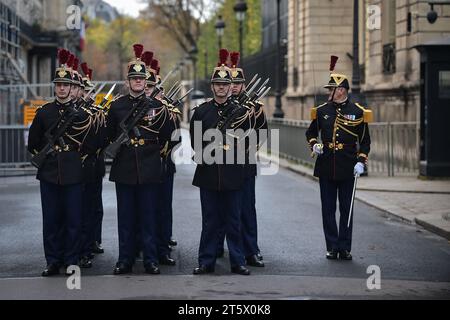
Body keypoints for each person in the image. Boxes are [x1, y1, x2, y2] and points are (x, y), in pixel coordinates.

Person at [28, 48, 95, 276]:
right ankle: (53, 260)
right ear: (55, 87)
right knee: (52, 219)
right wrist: (46, 154)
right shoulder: (44, 112)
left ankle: (71, 259)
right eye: (58, 85)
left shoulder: (82, 114)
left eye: (66, 85)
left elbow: (91, 142)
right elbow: (33, 142)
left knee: (74, 219)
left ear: (71, 87)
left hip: (74, 171)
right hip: (49, 172)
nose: (62, 88)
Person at [106, 44, 171, 275]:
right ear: (128, 82)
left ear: (146, 81)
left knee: (149, 217)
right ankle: (125, 260)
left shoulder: (157, 107)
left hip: (149, 166)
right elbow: (108, 134)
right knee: (125, 218)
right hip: (124, 166)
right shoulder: (116, 107)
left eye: (141, 79)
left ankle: (151, 260)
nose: (138, 82)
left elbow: (167, 134)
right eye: (133, 78)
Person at [189, 49, 251, 275]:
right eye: (218, 84)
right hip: (208, 173)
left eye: (225, 84)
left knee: (234, 220)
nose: (222, 87)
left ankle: (238, 261)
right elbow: (196, 142)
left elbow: (248, 143)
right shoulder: (202, 112)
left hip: (233, 172)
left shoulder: (241, 112)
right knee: (210, 221)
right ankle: (206, 261)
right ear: (212, 86)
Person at [305, 56, 372, 260]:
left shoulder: (357, 112)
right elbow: (310, 133)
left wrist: (361, 161)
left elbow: (365, 140)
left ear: (342, 89)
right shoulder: (322, 111)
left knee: (346, 208)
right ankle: (332, 246)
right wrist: (314, 145)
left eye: (331, 89)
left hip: (348, 166)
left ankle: (345, 247)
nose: (329, 92)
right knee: (328, 209)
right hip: (326, 165)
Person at [216, 51, 266, 268]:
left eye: (238, 83)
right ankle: (217, 245)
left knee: (246, 209)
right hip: (220, 163)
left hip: (243, 163)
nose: (235, 86)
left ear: (244, 85)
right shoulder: (219, 105)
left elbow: (262, 133)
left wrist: (245, 151)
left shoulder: (255, 107)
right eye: (232, 82)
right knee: (219, 208)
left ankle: (250, 250)